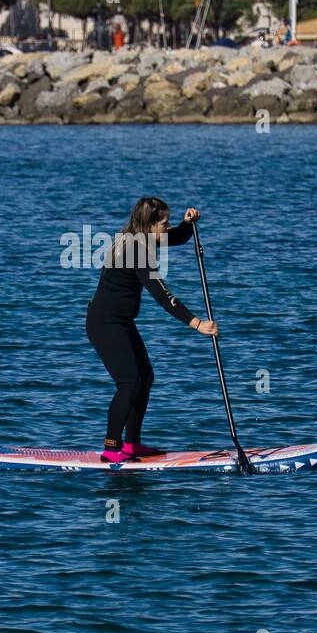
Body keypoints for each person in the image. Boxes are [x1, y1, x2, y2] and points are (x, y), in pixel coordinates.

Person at [86, 198, 217, 463]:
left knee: (145, 377)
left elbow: (176, 237)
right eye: (164, 223)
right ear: (148, 225)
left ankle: (132, 445)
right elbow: (162, 295)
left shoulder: (141, 236)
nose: (167, 228)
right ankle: (112, 449)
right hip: (104, 323)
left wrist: (187, 224)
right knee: (129, 382)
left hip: (120, 322)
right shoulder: (136, 250)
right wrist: (197, 324)